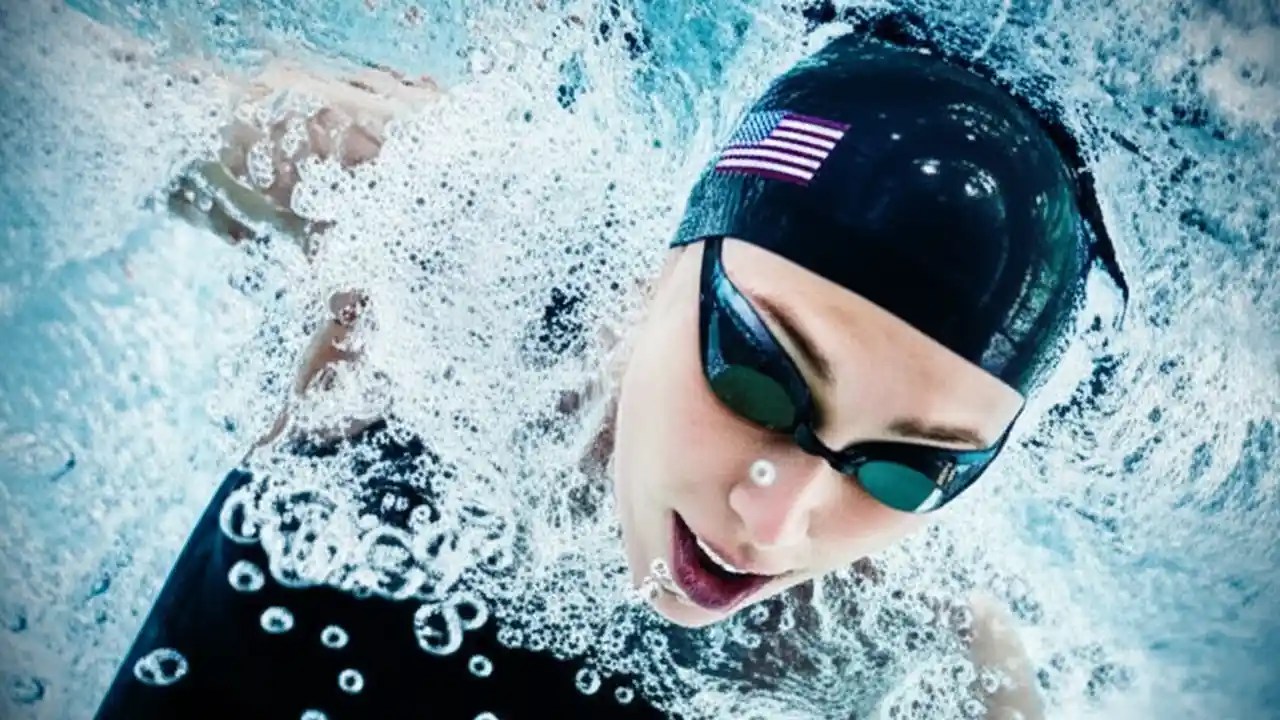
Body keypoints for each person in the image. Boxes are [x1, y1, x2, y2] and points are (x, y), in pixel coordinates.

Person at [94, 10, 1128, 720]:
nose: (772, 523)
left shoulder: (910, 654)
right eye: (756, 377)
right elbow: (91, 92)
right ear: (666, 262)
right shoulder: (441, 236)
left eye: (903, 470)